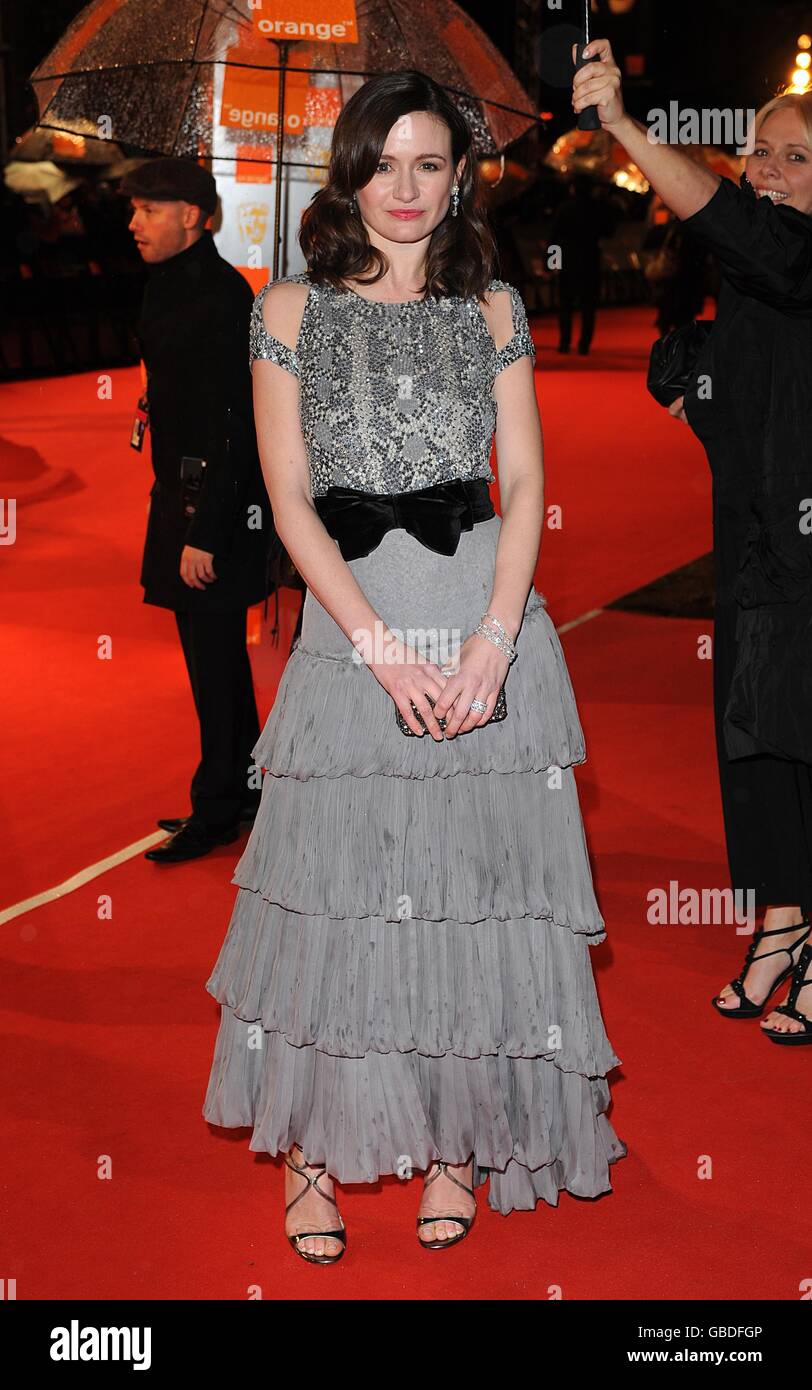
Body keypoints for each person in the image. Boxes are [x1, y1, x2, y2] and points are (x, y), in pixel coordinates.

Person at [202, 70, 626, 1264]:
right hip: (355, 633)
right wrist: (379, 651)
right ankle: (310, 1154)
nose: (404, 187)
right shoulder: (284, 311)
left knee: (472, 890)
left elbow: (528, 482)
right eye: (383, 162)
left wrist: (494, 641)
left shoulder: (491, 306)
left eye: (428, 164)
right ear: (348, 172)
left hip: (486, 624)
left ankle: (452, 1142)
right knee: (336, 898)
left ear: (458, 180)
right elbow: (286, 498)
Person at [573, 42, 812, 1042]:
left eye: (794, 155)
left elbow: (735, 224)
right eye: (758, 152)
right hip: (751, 543)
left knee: (803, 737)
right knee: (749, 736)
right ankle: (780, 923)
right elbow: (714, 365)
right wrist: (685, 379)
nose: (764, 169)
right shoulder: (754, 274)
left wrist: (625, 126)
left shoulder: (793, 254)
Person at [120, 158, 273, 864]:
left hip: (213, 505)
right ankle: (243, 790)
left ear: (192, 214)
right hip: (181, 495)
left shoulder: (219, 297)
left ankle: (216, 809)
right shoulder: (168, 286)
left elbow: (237, 427)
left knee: (213, 663)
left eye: (149, 209)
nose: (134, 224)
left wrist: (205, 531)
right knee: (213, 659)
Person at [548, 173, 614, 354]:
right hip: (590, 260)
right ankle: (584, 345)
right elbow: (609, 231)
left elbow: (554, 236)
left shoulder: (564, 208)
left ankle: (564, 343)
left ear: (573, 188)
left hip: (568, 260)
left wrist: (552, 263)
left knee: (565, 304)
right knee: (588, 306)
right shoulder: (597, 208)